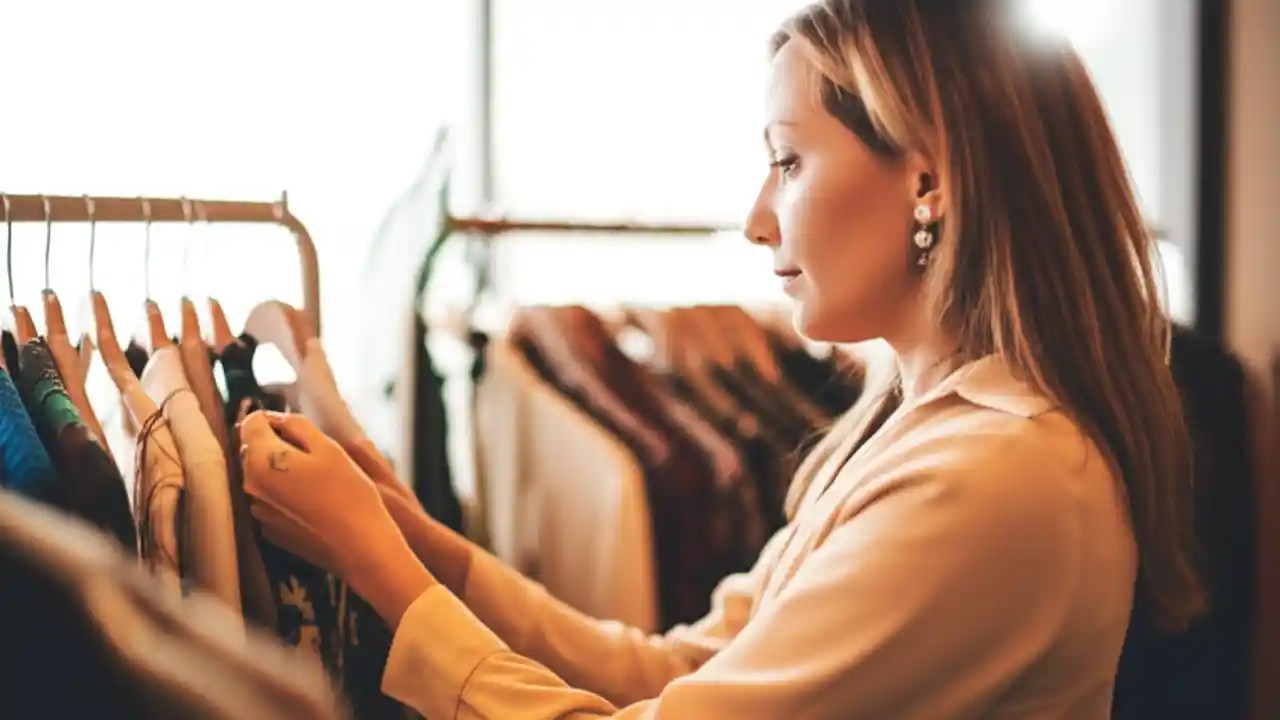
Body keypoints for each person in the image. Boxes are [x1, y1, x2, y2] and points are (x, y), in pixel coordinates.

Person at [239, 1, 1206, 717]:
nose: (755, 219)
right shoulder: (916, 434)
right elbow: (676, 669)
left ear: (928, 178)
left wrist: (379, 568)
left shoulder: (993, 478)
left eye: (788, 162)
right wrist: (421, 545)